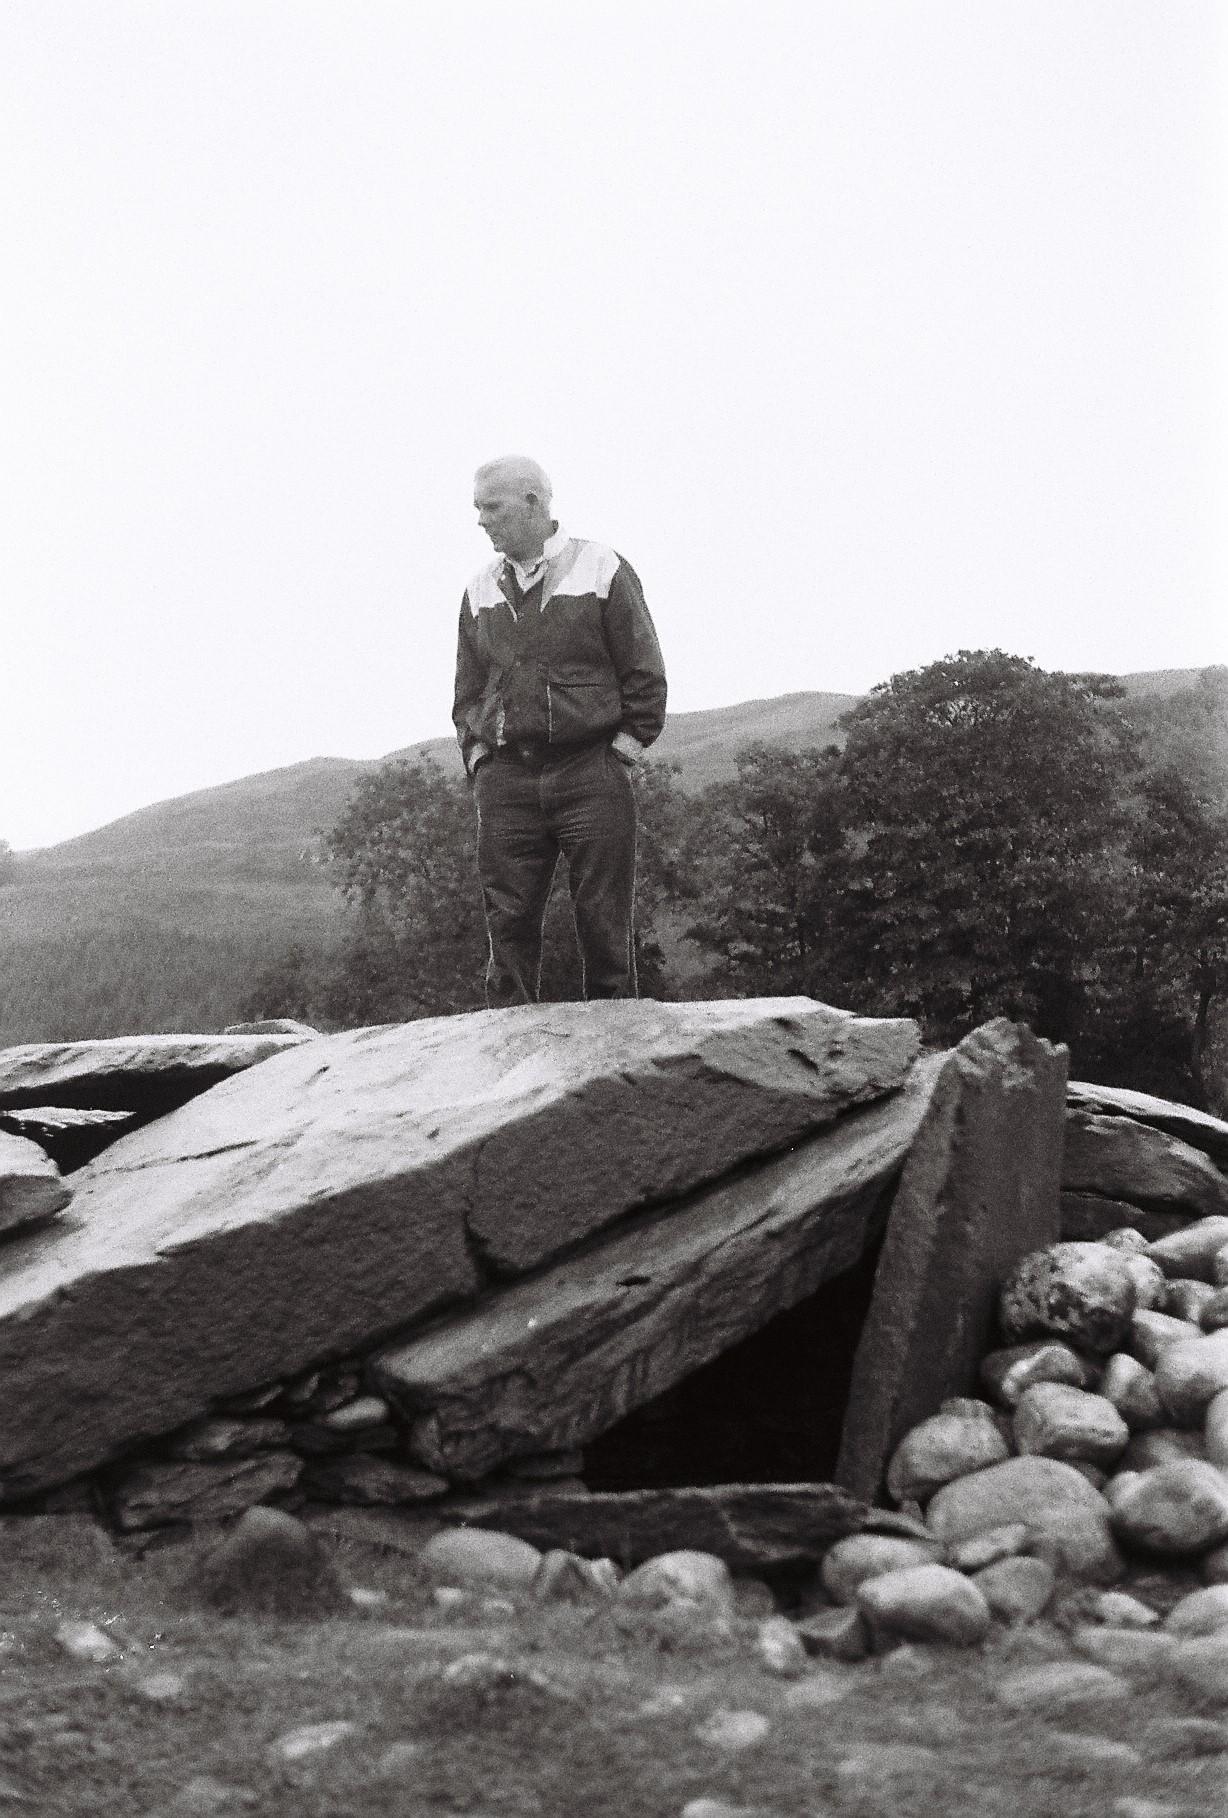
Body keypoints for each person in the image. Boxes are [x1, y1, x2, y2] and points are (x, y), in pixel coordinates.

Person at [453, 455, 667, 1005]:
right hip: (508, 781)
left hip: (590, 771)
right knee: (508, 929)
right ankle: (509, 1055)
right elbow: (467, 691)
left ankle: (617, 1052)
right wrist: (479, 760)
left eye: (492, 507)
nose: (481, 520)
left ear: (533, 502)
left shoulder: (602, 567)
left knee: (604, 926)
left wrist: (622, 752)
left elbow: (644, 669)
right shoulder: (479, 588)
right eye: (478, 508)